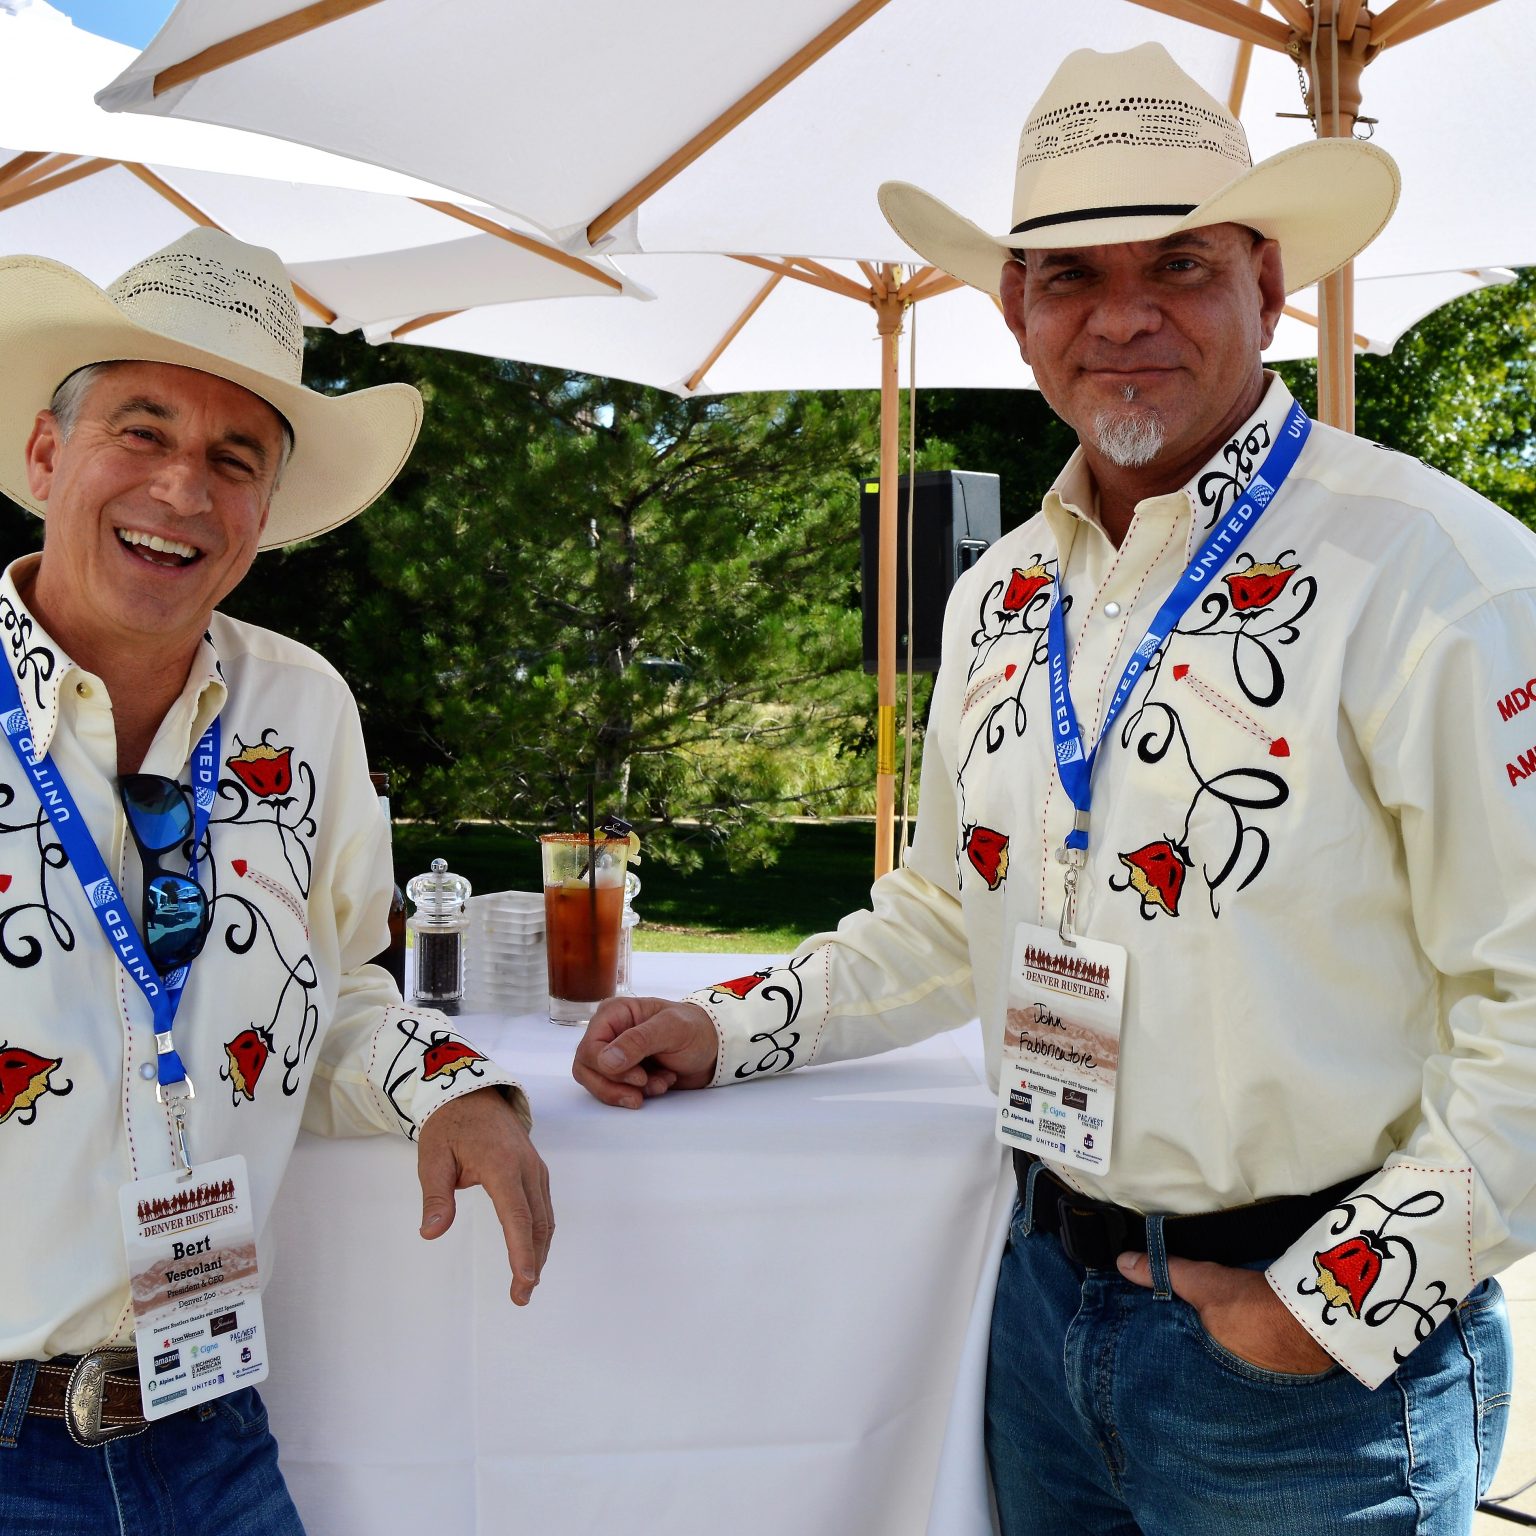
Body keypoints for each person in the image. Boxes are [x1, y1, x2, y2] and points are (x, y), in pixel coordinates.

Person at [574, 43, 1531, 1532]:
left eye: (1181, 266)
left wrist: (1324, 1312)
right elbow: (949, 915)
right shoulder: (1005, 596)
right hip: (1041, 1312)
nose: (1124, 315)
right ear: (1016, 310)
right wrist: (726, 1026)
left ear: (1266, 288)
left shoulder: (1438, 574)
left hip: (1312, 1378)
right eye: (1071, 275)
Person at [0, 229, 552, 1533]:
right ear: (45, 455)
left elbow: (334, 988)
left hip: (215, 1437)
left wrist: (458, 1090)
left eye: (233, 459)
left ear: (264, 513)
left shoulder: (300, 710)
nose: (184, 489)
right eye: (142, 432)